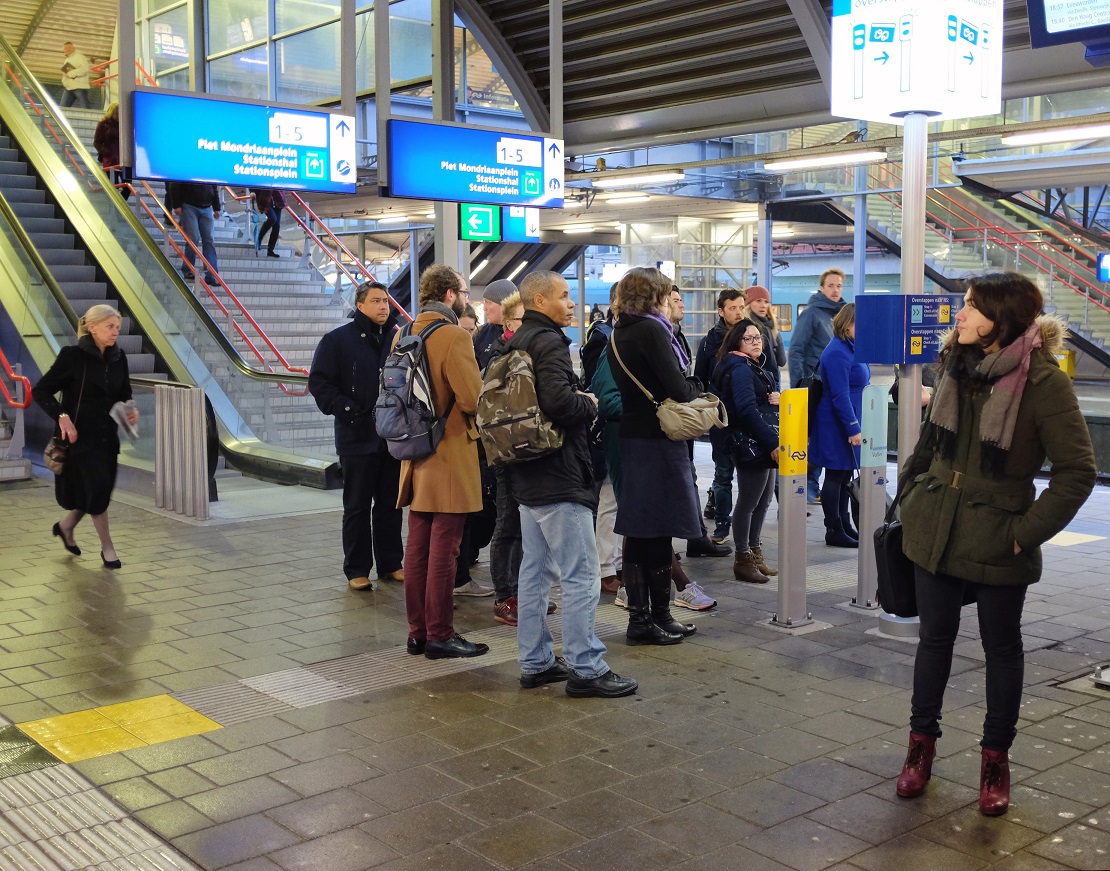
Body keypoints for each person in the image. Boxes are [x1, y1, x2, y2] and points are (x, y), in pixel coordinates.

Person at [894, 272, 1095, 816]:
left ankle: (994, 760)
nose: (958, 315)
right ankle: (919, 750)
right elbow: (928, 443)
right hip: (932, 526)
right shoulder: (954, 365)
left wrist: (1023, 536)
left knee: (1000, 649)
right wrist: (906, 497)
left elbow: (1077, 472)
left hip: (997, 536)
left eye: (970, 307)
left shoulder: (1043, 382)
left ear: (1000, 320)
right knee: (933, 640)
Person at [506, 271, 637, 698]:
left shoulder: (517, 340)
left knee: (535, 572)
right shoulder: (548, 342)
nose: (572, 303)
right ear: (540, 300)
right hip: (559, 475)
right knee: (581, 576)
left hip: (527, 472)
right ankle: (586, 667)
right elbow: (560, 403)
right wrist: (590, 402)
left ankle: (536, 661)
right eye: (564, 296)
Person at [395, 265, 488, 659]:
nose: (467, 297)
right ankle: (441, 634)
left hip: (414, 453)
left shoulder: (405, 332)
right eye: (464, 291)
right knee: (445, 550)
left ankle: (418, 632)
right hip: (449, 453)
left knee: (417, 547)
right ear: (451, 295)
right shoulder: (453, 335)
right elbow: (471, 399)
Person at [609, 267, 704, 646]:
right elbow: (680, 389)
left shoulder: (620, 331)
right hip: (658, 440)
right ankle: (650, 619)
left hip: (634, 438)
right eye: (665, 294)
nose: (669, 300)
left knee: (641, 530)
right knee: (657, 529)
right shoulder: (651, 330)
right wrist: (698, 384)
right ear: (653, 297)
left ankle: (649, 616)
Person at [308, 280, 404, 592]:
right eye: (376, 301)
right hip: (356, 436)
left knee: (391, 504)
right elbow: (320, 382)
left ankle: (390, 563)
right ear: (359, 305)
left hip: (391, 437)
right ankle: (357, 569)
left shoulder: (398, 338)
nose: (382, 307)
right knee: (358, 506)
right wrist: (346, 409)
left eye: (386, 302)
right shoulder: (337, 340)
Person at [33, 304, 138, 569]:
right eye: (110, 327)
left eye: (117, 328)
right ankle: (108, 549)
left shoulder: (118, 357)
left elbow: (123, 392)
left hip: (107, 437)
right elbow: (41, 391)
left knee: (96, 491)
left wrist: (130, 408)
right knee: (97, 492)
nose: (115, 333)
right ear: (92, 328)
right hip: (80, 439)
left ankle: (65, 526)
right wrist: (61, 416)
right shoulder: (72, 357)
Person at [712, 320, 781, 583]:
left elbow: (760, 400)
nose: (756, 342)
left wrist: (774, 396)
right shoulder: (739, 368)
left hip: (760, 440)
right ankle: (743, 558)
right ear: (737, 342)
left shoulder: (751, 365)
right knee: (749, 503)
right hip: (753, 443)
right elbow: (747, 410)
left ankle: (754, 551)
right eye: (749, 338)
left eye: (759, 337)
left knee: (762, 501)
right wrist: (771, 443)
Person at [808, 304, 869, 548]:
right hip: (836, 422)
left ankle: (845, 525)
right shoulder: (837, 352)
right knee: (835, 475)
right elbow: (840, 395)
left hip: (846, 419)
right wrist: (852, 428)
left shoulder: (851, 348)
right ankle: (833, 529)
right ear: (846, 324)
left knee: (845, 475)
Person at [789, 268, 848, 503]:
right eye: (831, 285)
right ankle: (808, 483)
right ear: (822, 288)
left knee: (826, 436)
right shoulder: (812, 314)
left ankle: (815, 483)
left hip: (834, 385)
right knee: (813, 435)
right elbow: (796, 350)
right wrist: (799, 386)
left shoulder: (843, 314)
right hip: (815, 386)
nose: (835, 290)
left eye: (839, 285)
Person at [694, 288, 746, 543]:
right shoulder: (709, 342)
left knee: (751, 474)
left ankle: (748, 528)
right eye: (733, 308)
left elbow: (769, 371)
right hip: (721, 417)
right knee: (723, 473)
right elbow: (700, 380)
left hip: (748, 416)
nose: (738, 312)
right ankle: (722, 526)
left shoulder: (753, 336)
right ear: (721, 311)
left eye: (741, 307)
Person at [165, 182, 221, 284]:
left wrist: (216, 207)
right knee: (193, 238)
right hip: (188, 205)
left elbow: (214, 186)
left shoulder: (208, 168)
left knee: (209, 240)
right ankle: (188, 269)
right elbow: (174, 183)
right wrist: (176, 205)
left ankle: (211, 274)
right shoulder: (187, 166)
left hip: (206, 206)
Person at [473, 279, 516, 370]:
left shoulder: (522, 331)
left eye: (488, 302)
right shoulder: (481, 333)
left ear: (504, 304)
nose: (484, 308)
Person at [744, 285, 785, 379]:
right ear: (748, 304)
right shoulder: (743, 329)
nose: (763, 305)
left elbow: (782, 361)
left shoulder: (772, 329)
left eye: (766, 302)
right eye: (758, 301)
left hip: (772, 381)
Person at [93, 103, 131, 200]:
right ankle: (116, 207)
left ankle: (119, 205)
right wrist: (106, 153)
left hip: (123, 159)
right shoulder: (104, 124)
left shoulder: (125, 123)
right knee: (113, 187)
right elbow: (97, 142)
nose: (118, 115)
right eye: (116, 112)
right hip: (110, 160)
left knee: (127, 186)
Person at [253, 188, 285, 258]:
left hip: (277, 200)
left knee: (277, 226)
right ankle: (259, 239)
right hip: (265, 199)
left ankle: (270, 250)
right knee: (273, 219)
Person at [60, 42, 90, 109]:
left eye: (69, 47)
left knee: (86, 109)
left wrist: (70, 74)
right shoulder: (67, 59)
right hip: (69, 87)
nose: (67, 49)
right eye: (65, 48)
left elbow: (85, 69)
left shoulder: (79, 57)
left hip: (79, 87)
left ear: (74, 48)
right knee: (62, 110)